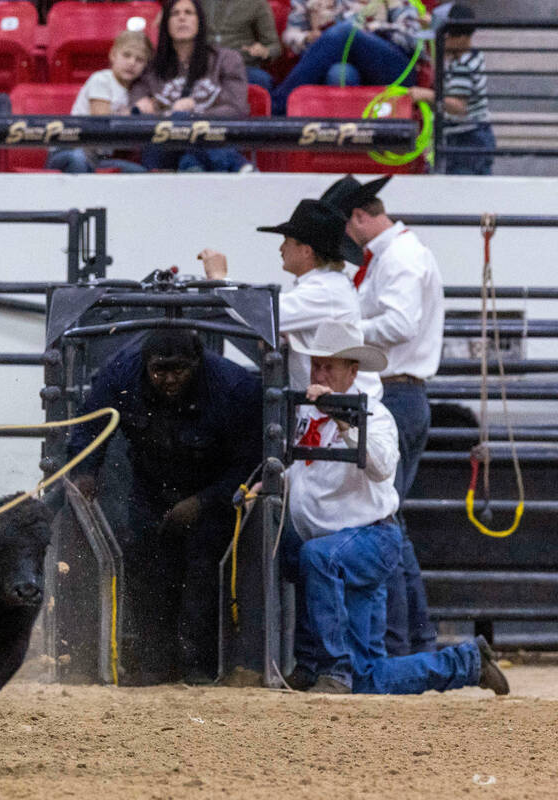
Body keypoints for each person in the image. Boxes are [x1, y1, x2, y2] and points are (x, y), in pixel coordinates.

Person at [280, 321, 508, 696]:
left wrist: (343, 420)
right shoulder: (308, 414)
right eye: (316, 365)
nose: (319, 374)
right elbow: (306, 472)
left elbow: (383, 466)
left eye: (329, 367)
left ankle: (328, 669)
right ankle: (468, 663)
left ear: (352, 372)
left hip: (368, 539)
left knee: (315, 558)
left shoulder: (374, 415)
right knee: (367, 676)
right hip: (350, 545)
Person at [68, 329, 263, 684]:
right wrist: (84, 473)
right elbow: (88, 426)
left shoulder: (234, 388)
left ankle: (198, 666)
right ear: (145, 366)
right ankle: (153, 664)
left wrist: (204, 501)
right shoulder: (120, 375)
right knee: (145, 569)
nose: (169, 380)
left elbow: (250, 461)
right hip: (151, 488)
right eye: (160, 371)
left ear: (197, 364)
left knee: (203, 572)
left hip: (212, 491)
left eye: (180, 371)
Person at [321, 173, 444, 658]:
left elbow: (398, 323)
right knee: (389, 520)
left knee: (385, 519)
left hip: (396, 393)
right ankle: (412, 641)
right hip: (399, 393)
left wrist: (343, 328)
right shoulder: (397, 256)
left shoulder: (399, 259)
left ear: (359, 217)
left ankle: (405, 642)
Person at [198, 197, 382, 397]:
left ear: (306, 251)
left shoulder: (326, 290)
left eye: (286, 241)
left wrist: (219, 279)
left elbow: (267, 312)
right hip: (332, 404)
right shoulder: (326, 286)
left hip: (342, 406)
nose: (281, 248)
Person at [129, 0, 253, 173]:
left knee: (191, 160)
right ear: (165, 23)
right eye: (175, 14)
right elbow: (137, 113)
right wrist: (169, 115)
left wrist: (194, 116)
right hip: (164, 149)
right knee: (179, 118)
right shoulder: (150, 67)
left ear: (200, 21)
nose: (182, 18)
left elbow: (236, 108)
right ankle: (235, 164)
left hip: (211, 141)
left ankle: (192, 162)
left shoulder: (226, 60)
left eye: (188, 12)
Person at [272, 0, 422, 116]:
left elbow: (412, 37)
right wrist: (307, 38)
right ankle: (340, 151)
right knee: (340, 74)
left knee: (344, 32)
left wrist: (371, 29)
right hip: (338, 63)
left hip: (393, 69)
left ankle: (276, 107)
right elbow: (290, 36)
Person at [45, 30, 151, 174]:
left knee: (139, 172)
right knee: (78, 160)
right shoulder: (101, 79)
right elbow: (101, 124)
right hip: (69, 149)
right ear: (113, 55)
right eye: (126, 55)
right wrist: (132, 113)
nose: (132, 63)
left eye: (140, 60)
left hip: (98, 158)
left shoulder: (137, 90)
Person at [409, 3, 494, 175]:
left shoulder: (463, 65)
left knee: (462, 186)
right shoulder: (463, 55)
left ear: (461, 38)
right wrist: (431, 24)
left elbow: (458, 106)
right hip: (470, 135)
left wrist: (427, 95)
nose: (439, 41)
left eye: (444, 36)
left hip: (467, 138)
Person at [201, 0, 282, 92]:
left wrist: (265, 51)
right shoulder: (200, 2)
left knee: (261, 79)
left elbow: (275, 47)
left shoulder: (258, 4)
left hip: (242, 66)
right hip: (204, 64)